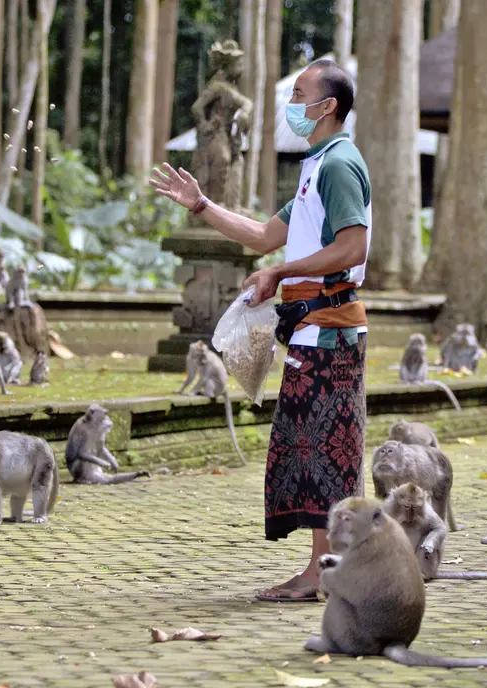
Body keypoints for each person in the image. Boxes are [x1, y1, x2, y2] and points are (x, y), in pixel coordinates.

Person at [150, 58, 371, 602]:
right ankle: (327, 566)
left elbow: (353, 247)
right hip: (308, 328)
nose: (292, 105)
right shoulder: (316, 166)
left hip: (330, 329)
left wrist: (280, 272)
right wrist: (200, 205)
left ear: (328, 107)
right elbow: (262, 236)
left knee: (324, 451)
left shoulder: (340, 164)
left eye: (300, 94)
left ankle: (326, 572)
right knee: (307, 448)